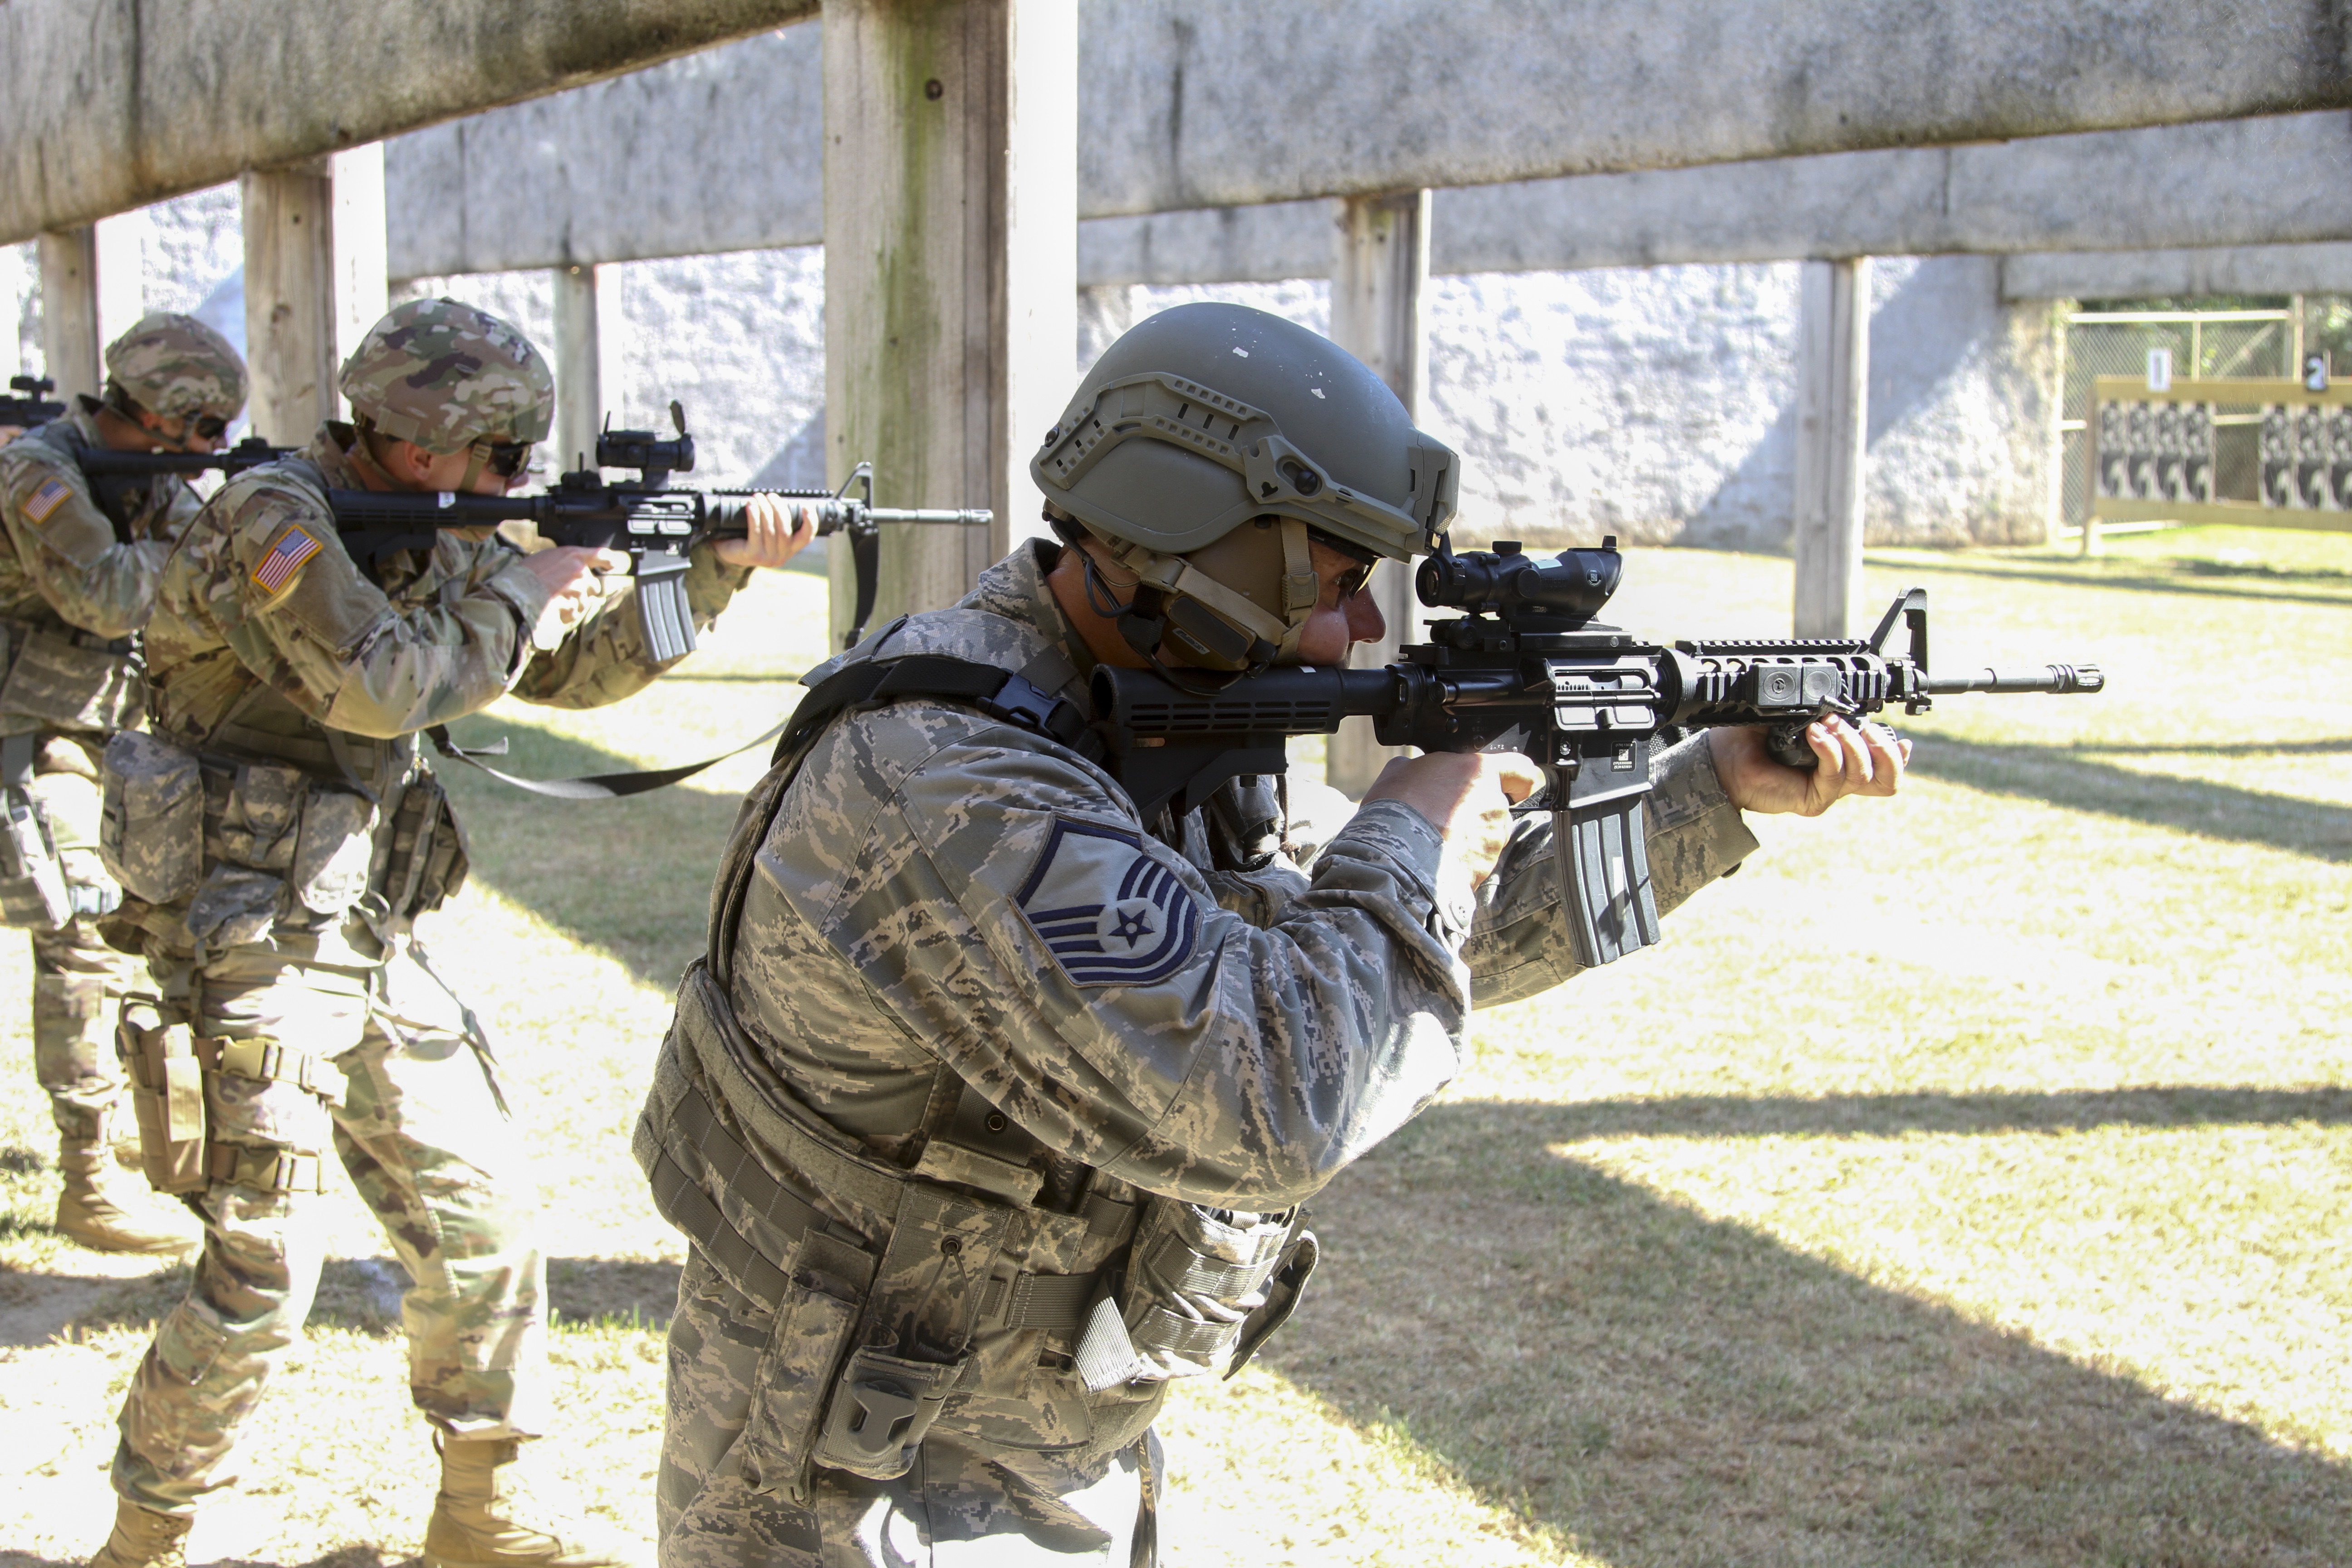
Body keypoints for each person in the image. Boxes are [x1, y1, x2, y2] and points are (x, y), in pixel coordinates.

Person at [636, 301, 1912, 1567]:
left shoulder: (1142, 721)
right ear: (1204, 555)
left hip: (1012, 1441)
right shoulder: (951, 777)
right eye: (1344, 581)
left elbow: (1381, 959)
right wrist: (1420, 815)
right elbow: (1266, 1098)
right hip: (846, 1487)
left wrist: (1712, 791)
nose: (1366, 631)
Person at [85, 297, 814, 1568]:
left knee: (484, 1218)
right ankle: (146, 1533)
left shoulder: (433, 523)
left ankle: (484, 1516)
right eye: (503, 463)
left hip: (364, 929)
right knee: (265, 1269)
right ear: (420, 447)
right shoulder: (272, 520)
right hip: (250, 936)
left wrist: (710, 571)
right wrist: (537, 564)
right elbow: (386, 686)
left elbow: (561, 672)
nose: (516, 485)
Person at [0, 312, 247, 1256]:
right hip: (23, 733)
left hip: (102, 737)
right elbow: (103, 593)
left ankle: (175, 1159)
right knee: (77, 938)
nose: (209, 457)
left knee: (148, 934)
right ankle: (88, 1175)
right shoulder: (39, 471)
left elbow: (203, 561)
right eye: (202, 436)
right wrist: (214, 558)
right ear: (152, 416)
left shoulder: (154, 484)